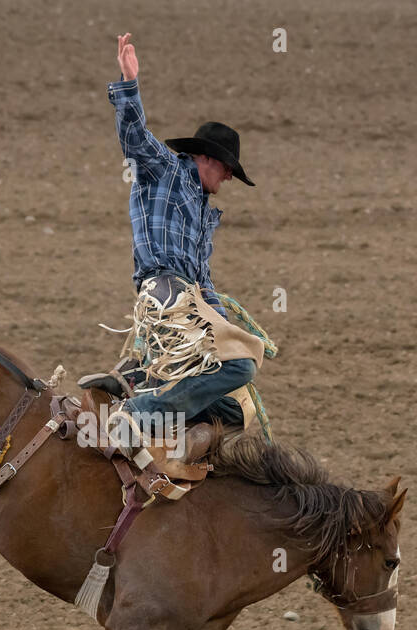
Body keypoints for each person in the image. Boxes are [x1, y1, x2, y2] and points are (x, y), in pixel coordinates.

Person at [85, 33, 267, 468]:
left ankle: (141, 387)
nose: (225, 182)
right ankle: (138, 411)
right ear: (210, 160)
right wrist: (129, 85)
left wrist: (224, 320)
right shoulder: (164, 169)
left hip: (189, 302)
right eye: (226, 172)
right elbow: (134, 137)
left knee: (238, 411)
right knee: (241, 365)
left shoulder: (205, 214)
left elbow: (204, 280)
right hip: (165, 294)